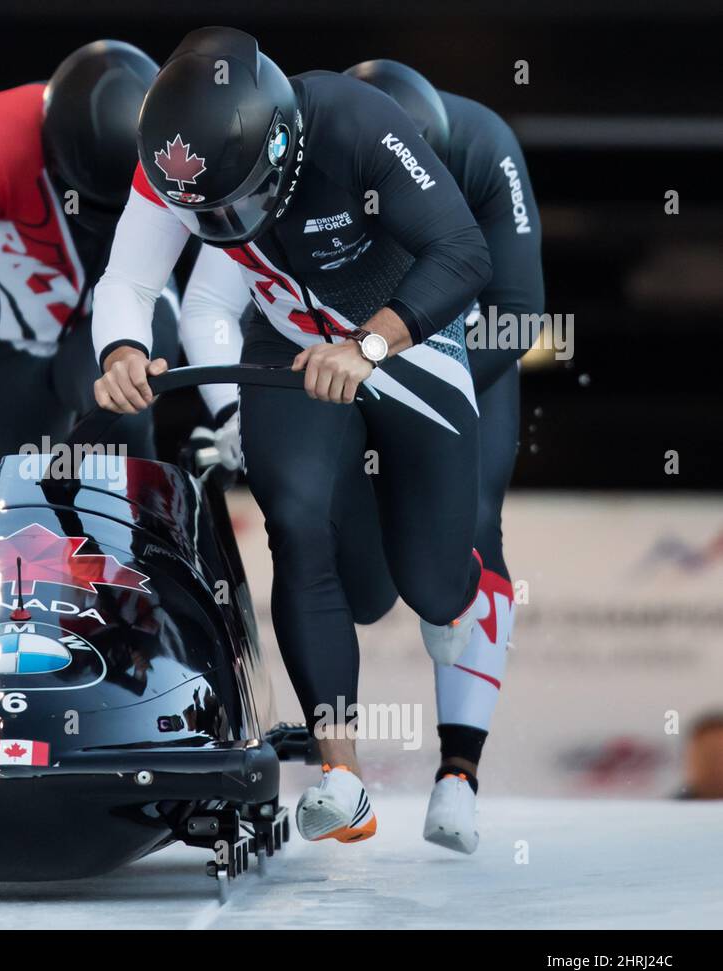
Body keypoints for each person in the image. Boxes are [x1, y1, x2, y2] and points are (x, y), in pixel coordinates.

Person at [91, 27, 496, 846]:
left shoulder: (354, 123)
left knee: (430, 582)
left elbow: (462, 253)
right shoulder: (172, 161)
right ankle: (341, 776)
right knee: (297, 523)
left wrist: (370, 344)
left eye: (237, 203)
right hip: (288, 343)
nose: (223, 225)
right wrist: (124, 348)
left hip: (405, 335)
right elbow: (129, 280)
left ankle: (460, 600)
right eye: (206, 211)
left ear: (282, 144)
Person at [182, 58, 544, 853]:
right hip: (333, 351)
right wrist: (247, 414)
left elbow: (517, 315)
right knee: (348, 570)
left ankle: (459, 770)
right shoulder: (320, 150)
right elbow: (218, 288)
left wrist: (394, 381)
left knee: (452, 548)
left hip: (451, 341)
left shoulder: (483, 148)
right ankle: (341, 776)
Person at [0, 41, 180, 458]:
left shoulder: (179, 146)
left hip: (111, 320)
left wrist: (228, 414)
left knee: (123, 420)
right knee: (12, 474)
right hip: (8, 344)